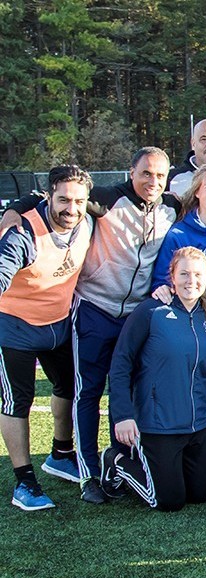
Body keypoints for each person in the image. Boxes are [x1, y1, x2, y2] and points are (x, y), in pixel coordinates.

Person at [1, 147, 183, 503]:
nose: (153, 182)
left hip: (112, 317)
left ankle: (95, 459)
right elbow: (42, 200)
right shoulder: (102, 202)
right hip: (78, 313)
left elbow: (205, 196)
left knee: (104, 389)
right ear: (131, 172)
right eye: (146, 173)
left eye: (160, 176)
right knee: (67, 394)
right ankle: (61, 476)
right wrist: (10, 211)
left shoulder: (167, 206)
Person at [0, 165, 93, 510]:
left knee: (69, 387)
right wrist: (14, 210)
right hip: (16, 327)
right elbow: (3, 268)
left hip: (60, 324)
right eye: (64, 199)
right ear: (49, 195)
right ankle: (23, 481)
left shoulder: (86, 217)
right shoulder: (21, 232)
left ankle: (60, 453)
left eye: (79, 200)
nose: (72, 207)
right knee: (16, 402)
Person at [104, 247, 206, 511]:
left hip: (199, 424)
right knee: (168, 501)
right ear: (172, 276)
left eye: (197, 274)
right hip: (159, 425)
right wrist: (122, 415)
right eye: (184, 274)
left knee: (201, 493)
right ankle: (116, 460)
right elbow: (121, 362)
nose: (191, 281)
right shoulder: (151, 311)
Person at [152, 163, 206, 290]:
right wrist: (163, 289)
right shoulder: (178, 235)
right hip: (193, 303)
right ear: (197, 192)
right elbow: (162, 281)